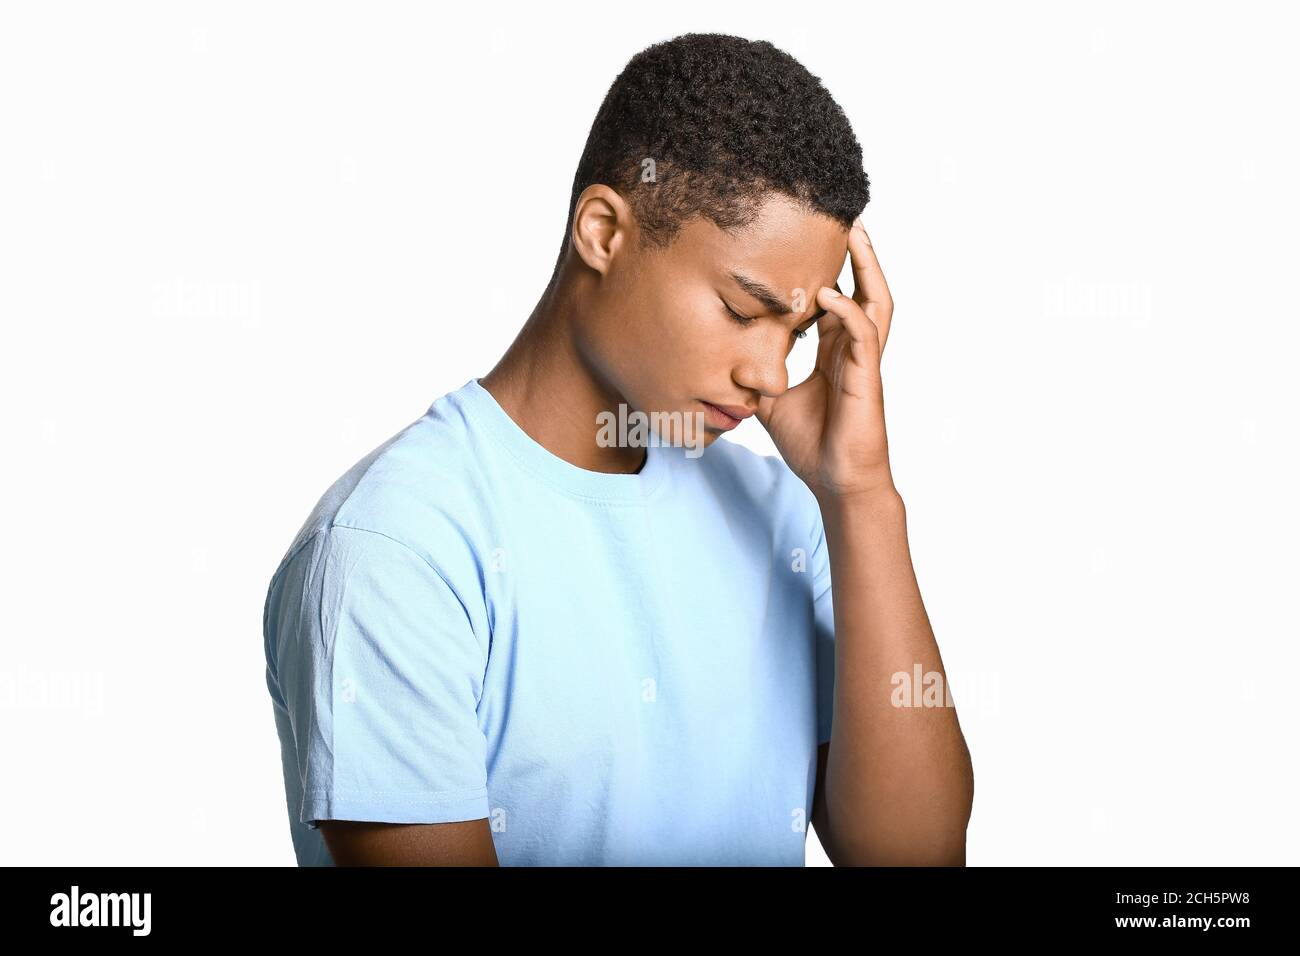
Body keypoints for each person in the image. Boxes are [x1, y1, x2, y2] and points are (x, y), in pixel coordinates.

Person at [263, 31, 973, 866]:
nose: (772, 373)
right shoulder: (398, 548)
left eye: (799, 330)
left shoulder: (788, 517)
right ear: (603, 230)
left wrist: (860, 496)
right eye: (744, 313)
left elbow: (917, 855)